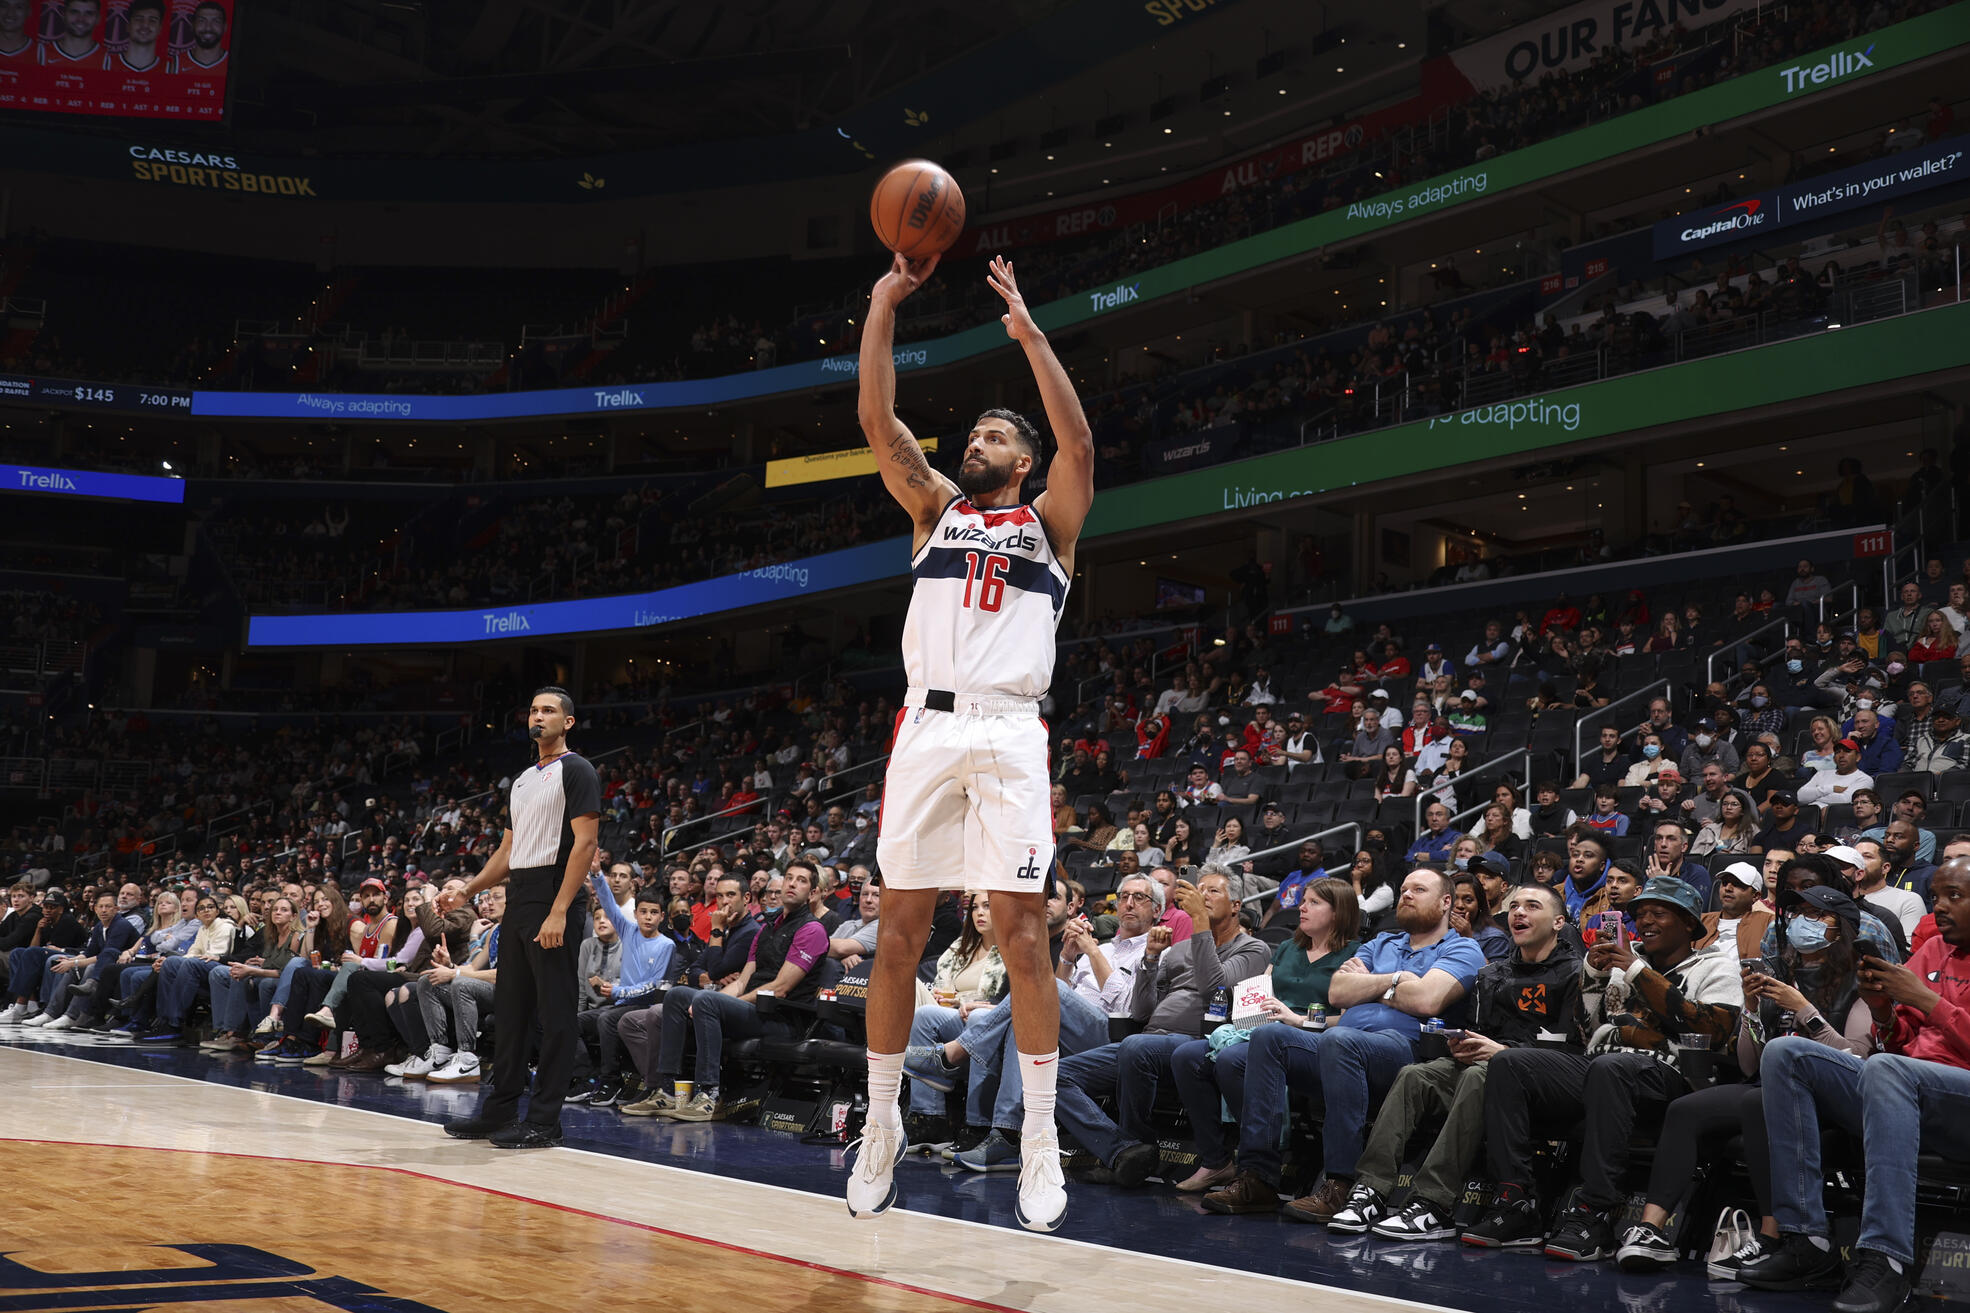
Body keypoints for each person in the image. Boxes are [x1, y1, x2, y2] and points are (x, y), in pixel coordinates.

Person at [850, 251, 1094, 1232]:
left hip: (1007, 724)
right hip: (925, 720)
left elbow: (1078, 438)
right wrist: (881, 303)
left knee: (1024, 933)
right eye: (975, 431)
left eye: (993, 433)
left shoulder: (1049, 526)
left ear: (1019, 460)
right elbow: (877, 421)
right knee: (898, 932)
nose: (975, 439)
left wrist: (1029, 334)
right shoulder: (933, 510)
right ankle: (879, 1126)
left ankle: (1036, 1137)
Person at [1464, 876, 1741, 1259]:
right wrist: (1592, 977)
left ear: (1690, 924)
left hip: (1672, 1079)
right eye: (1641, 915)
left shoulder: (1716, 967)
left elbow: (1714, 1030)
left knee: (1612, 1067)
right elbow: (1587, 1031)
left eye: (1659, 914)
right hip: (1600, 1068)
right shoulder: (1622, 964)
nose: (1646, 922)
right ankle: (1516, 1201)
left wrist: (1636, 972)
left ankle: (1594, 1212)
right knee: (1510, 1062)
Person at [1737, 859, 1970, 1313]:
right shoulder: (1934, 949)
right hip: (1905, 1088)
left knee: (1887, 1068)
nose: (1938, 907)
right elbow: (1899, 1036)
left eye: (1954, 896)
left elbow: (1918, 1032)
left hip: (1958, 1100)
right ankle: (1807, 1242)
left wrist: (1925, 999)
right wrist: (1883, 1007)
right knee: (1786, 1053)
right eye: (1936, 895)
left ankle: (1887, 1259)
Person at [1617, 884, 1877, 1277]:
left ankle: (1771, 1235)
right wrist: (1753, 1010)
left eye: (1815, 913)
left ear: (1839, 928)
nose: (1801, 922)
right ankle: (1651, 1230)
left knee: (1760, 1103)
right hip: (1771, 1090)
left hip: (1832, 1102)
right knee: (1686, 1109)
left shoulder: (1860, 986)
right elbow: (1750, 1064)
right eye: (1798, 913)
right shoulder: (1778, 975)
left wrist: (1805, 1011)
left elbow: (1858, 1061)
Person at [1202, 868, 1487, 1220]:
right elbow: (1337, 992)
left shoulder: (1463, 949)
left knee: (1339, 1039)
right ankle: (1258, 1176)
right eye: (1403, 888)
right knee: (1268, 1035)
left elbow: (1428, 1000)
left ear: (1446, 902)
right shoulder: (1379, 943)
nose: (1406, 895)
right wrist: (1397, 981)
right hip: (1342, 1047)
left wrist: (1368, 985)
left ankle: (1341, 1183)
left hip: (1404, 1052)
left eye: (1418, 889)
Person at [1329, 882, 1581, 1241]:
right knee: (1416, 1075)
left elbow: (1573, 1054)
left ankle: (1434, 1203)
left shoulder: (1576, 972)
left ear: (1559, 922)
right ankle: (1370, 1191)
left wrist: (1506, 1055)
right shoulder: (1493, 974)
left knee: (1481, 1076)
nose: (1519, 913)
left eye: (1532, 906)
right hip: (1486, 1066)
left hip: (1539, 1079)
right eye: (1514, 907)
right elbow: (1477, 1031)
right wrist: (1460, 1045)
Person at [437, 687, 600, 1150]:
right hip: (521, 895)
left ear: (567, 722)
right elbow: (508, 851)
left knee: (555, 1013)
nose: (538, 716)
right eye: (532, 709)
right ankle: (500, 1110)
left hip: (555, 893)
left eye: (549, 710)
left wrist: (561, 910)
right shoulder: (524, 779)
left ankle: (545, 1120)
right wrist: (467, 890)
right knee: (510, 1012)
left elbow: (585, 845)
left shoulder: (578, 769)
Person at [1051, 870, 1269, 1190]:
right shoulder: (1175, 951)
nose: (1203, 896)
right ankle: (1122, 1150)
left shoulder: (1252, 949)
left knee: (1137, 1047)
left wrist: (1199, 924)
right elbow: (1141, 1010)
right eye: (1200, 890)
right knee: (1054, 1076)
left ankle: (1134, 1146)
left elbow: (1214, 988)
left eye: (1213, 892)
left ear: (1236, 905)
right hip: (1150, 1038)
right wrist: (1151, 960)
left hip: (1200, 1042)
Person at [1168, 877, 1363, 1194]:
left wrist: (1297, 1020)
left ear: (1339, 911)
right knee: (1187, 1056)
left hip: (1314, 1038)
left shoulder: (1355, 955)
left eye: (1314, 902)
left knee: (1233, 1059)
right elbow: (1260, 992)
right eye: (1302, 900)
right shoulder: (1288, 947)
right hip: (1265, 1029)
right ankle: (1216, 1160)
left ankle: (1259, 1161)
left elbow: (1351, 1019)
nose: (1302, 907)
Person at [648, 860, 829, 1120]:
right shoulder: (767, 928)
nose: (792, 883)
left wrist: (715, 1003)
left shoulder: (812, 930)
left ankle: (709, 1096)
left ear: (813, 893)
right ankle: (666, 1091)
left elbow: (781, 987)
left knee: (706, 1001)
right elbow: (742, 981)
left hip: (782, 1019)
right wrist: (706, 1000)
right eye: (789, 877)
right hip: (753, 1011)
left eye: (801, 880)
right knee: (678, 996)